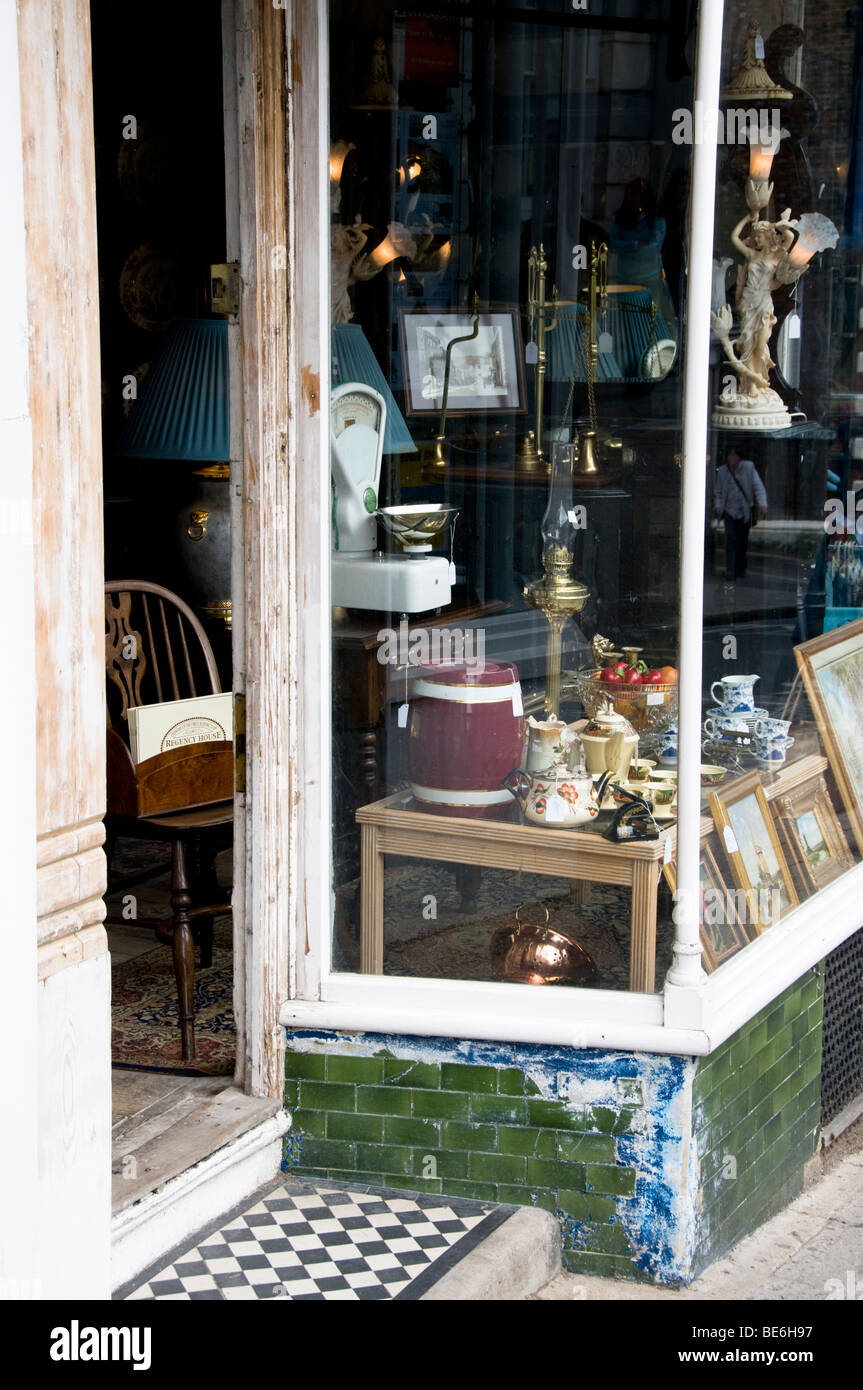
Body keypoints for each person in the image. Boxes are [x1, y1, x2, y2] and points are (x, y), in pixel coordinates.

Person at [713, 445, 768, 581]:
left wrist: (762, 503)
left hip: (744, 511)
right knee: (731, 540)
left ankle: (740, 568)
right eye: (729, 455)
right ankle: (730, 570)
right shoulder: (723, 471)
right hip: (729, 511)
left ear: (739, 457)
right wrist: (718, 505)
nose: (731, 458)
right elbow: (718, 491)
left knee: (742, 541)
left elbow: (758, 486)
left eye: (734, 455)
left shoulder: (748, 468)